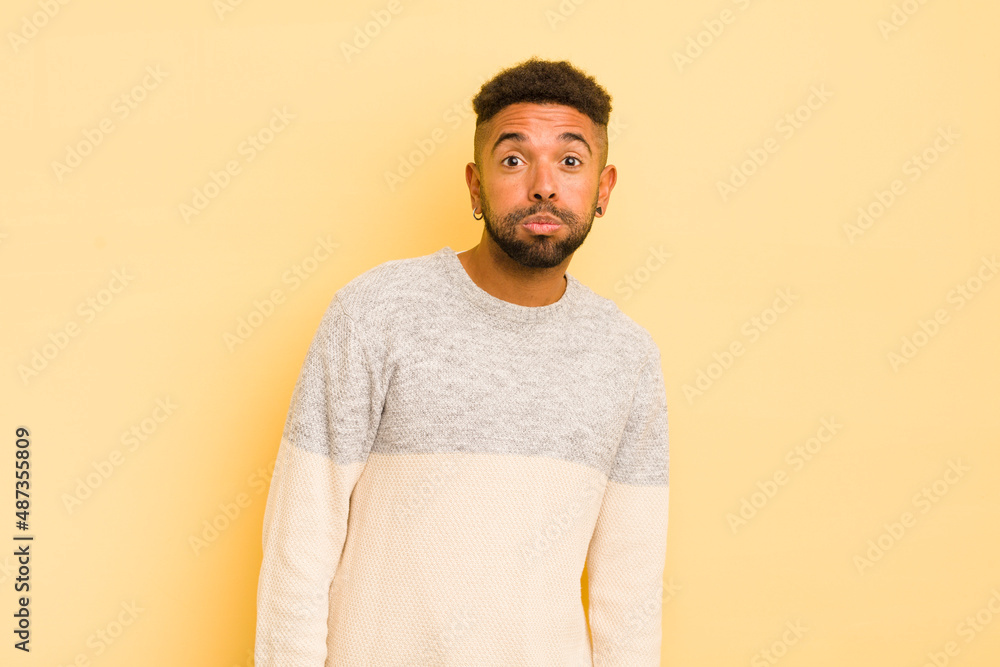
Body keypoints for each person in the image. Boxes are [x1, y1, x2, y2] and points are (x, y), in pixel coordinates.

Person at [255, 56, 670, 666]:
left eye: (570, 161)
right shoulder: (375, 312)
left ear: (603, 189)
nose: (543, 185)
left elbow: (629, 595)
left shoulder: (626, 356)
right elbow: (299, 541)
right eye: (514, 159)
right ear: (475, 186)